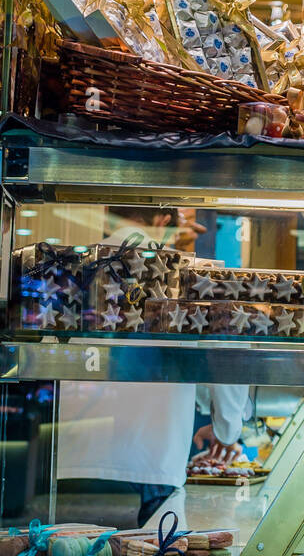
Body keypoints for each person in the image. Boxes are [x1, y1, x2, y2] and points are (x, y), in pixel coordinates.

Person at [57, 207, 248, 527]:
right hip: (153, 462)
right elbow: (225, 353)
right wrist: (227, 429)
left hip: (69, 458)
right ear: (162, 220)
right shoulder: (186, 273)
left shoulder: (74, 267)